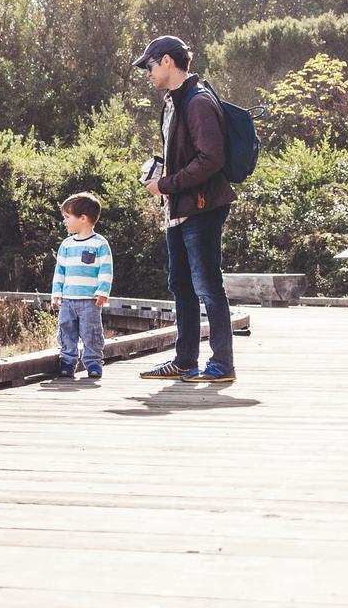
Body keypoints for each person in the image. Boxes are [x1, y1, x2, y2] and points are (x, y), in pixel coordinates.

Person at [134, 35, 238, 384]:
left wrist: (165, 184)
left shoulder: (197, 102)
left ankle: (222, 365)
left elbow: (211, 159)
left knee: (208, 285)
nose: (148, 73)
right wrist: (162, 177)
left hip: (201, 208)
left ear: (166, 61)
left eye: (149, 65)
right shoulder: (174, 103)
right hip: (178, 209)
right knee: (181, 285)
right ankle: (185, 361)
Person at [50, 192, 112, 380]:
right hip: (68, 300)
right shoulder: (66, 245)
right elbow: (59, 270)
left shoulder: (99, 244)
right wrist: (56, 292)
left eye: (67, 217)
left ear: (83, 218)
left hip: (90, 301)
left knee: (91, 332)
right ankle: (68, 362)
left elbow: (106, 270)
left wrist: (102, 291)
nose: (65, 222)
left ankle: (93, 363)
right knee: (66, 330)